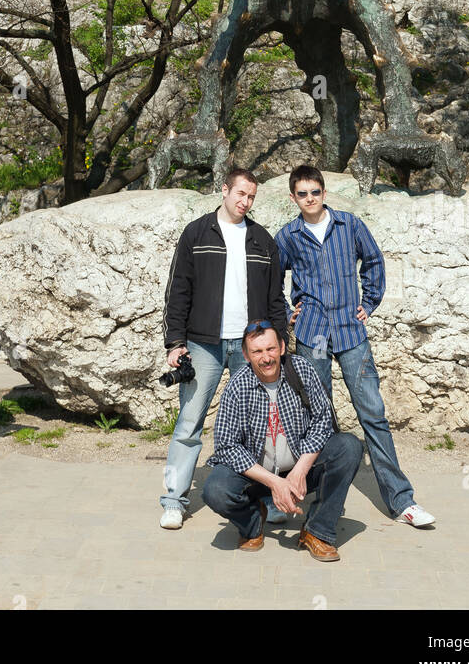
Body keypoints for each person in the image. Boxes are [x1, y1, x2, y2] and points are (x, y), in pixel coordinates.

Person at [274, 164, 435, 528]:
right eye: (302, 194)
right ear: (293, 198)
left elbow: (374, 261)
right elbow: (272, 277)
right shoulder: (288, 236)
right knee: (317, 417)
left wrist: (370, 301)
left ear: (324, 193)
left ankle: (401, 500)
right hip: (312, 335)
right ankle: (321, 499)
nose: (310, 199)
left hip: (351, 333)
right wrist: (287, 311)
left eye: (315, 192)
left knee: (372, 414)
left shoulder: (350, 225)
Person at [159, 166, 287, 530]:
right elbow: (178, 290)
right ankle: (173, 500)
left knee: (260, 425)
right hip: (203, 344)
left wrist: (278, 344)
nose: (245, 202)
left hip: (250, 347)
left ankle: (268, 499)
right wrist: (175, 342)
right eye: (240, 194)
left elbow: (275, 297)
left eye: (251, 197)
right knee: (188, 423)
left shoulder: (263, 240)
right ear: (224, 190)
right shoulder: (197, 233)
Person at [203, 321, 363, 558]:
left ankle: (317, 531)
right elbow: (226, 445)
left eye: (270, 349)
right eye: (257, 352)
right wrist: (274, 483)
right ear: (246, 355)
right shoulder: (237, 385)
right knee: (215, 490)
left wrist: (299, 471)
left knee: (349, 446)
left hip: (299, 467)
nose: (266, 358)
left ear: (282, 347)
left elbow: (323, 420)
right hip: (258, 474)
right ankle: (252, 522)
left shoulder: (301, 369)